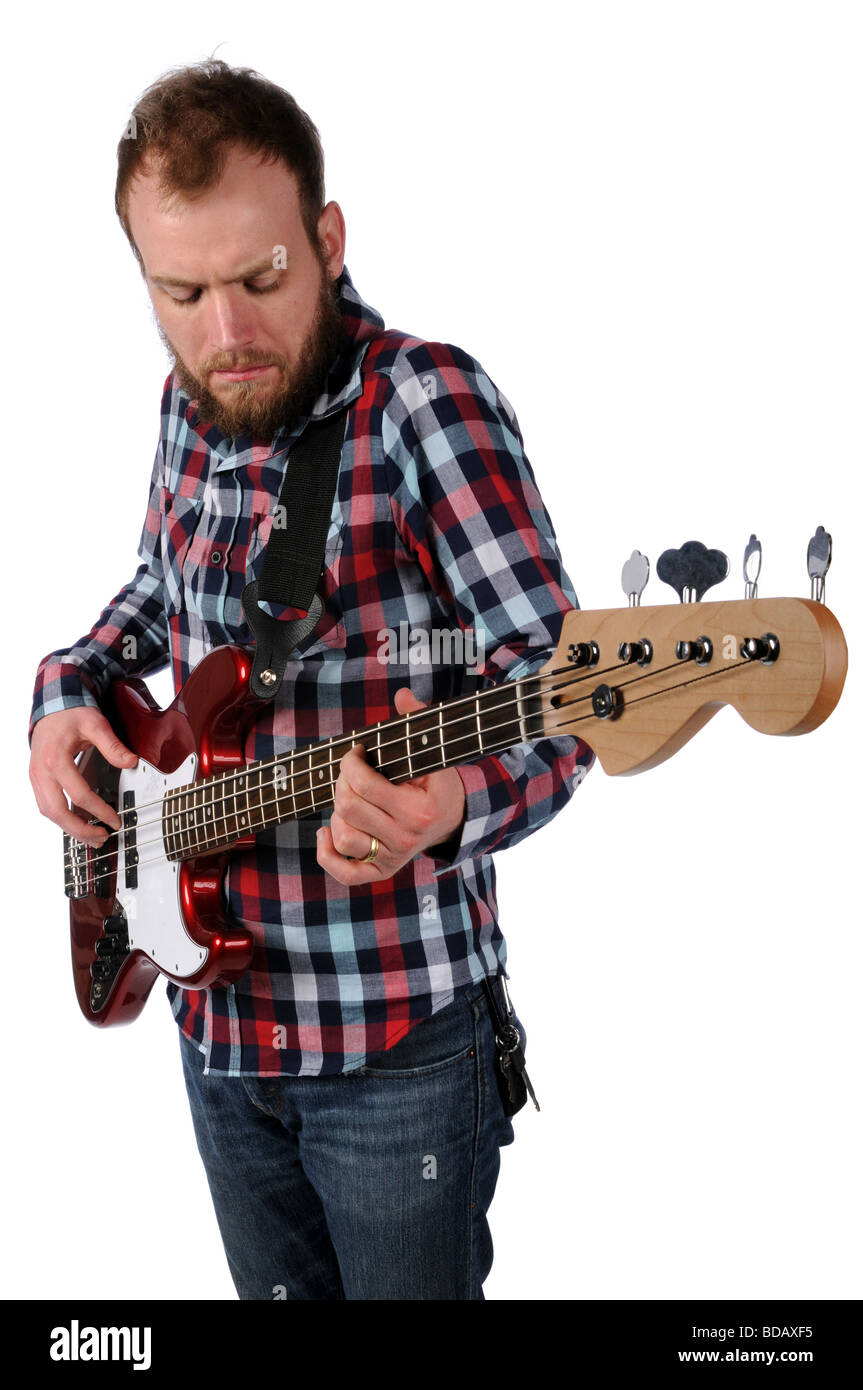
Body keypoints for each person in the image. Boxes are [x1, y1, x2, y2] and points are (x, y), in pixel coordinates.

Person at [28, 59, 595, 1300]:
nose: (226, 332)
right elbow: (156, 595)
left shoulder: (424, 406)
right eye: (181, 292)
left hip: (393, 1046)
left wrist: (446, 802)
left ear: (326, 238)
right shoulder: (186, 407)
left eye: (260, 278)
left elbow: (562, 692)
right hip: (213, 1025)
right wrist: (61, 689)